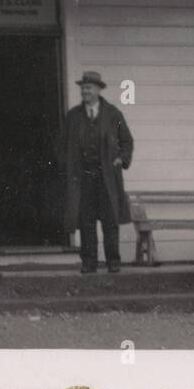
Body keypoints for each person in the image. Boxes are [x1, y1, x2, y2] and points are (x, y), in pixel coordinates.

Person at [59, 71, 134, 274]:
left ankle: (113, 261)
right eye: (83, 88)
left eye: (89, 88)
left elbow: (127, 141)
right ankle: (89, 262)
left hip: (107, 176)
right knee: (86, 220)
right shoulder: (73, 116)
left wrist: (121, 158)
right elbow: (63, 144)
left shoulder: (113, 114)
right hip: (83, 177)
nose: (85, 91)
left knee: (110, 220)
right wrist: (67, 166)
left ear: (99, 90)